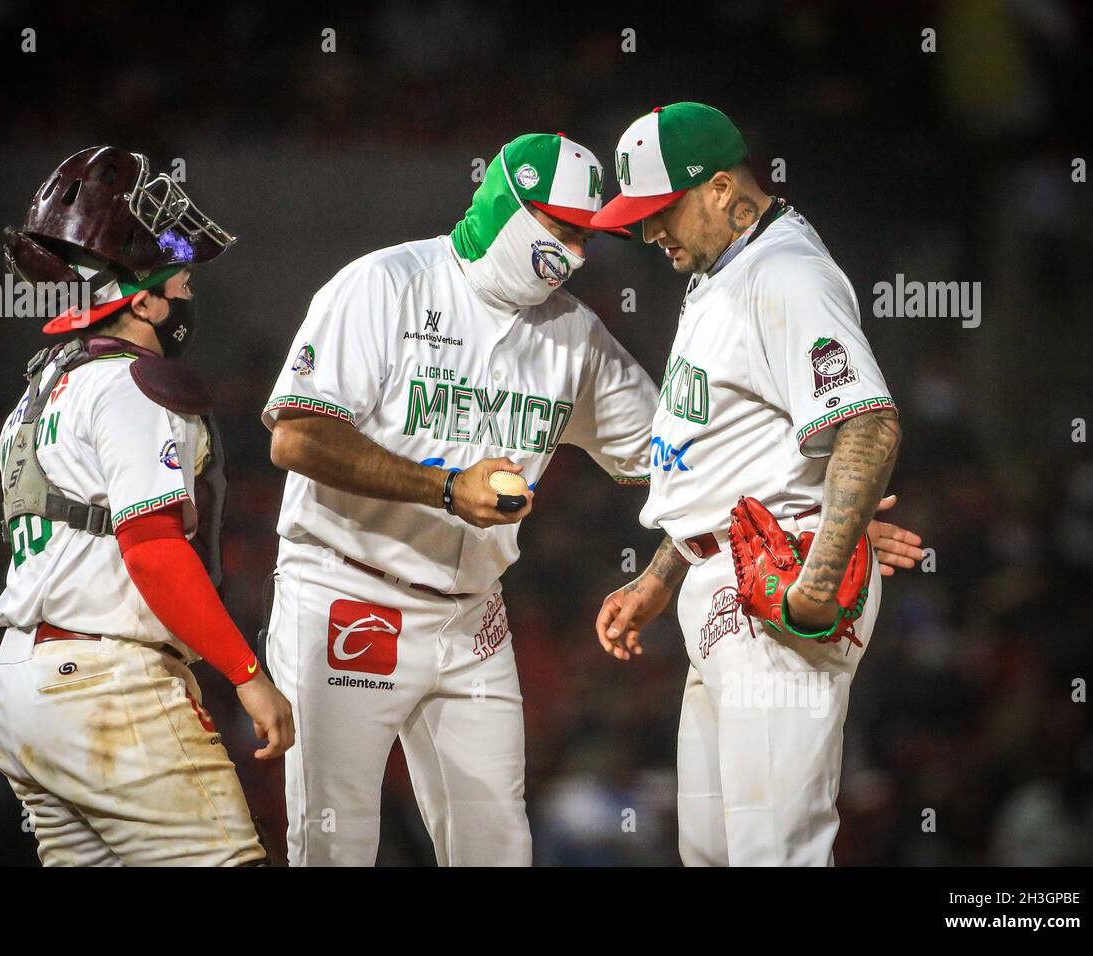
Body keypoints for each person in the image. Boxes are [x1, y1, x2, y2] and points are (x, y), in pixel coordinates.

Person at [261, 131, 921, 866]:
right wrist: (446, 489)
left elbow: (684, 462)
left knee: (497, 847)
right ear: (507, 208)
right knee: (334, 839)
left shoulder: (573, 333)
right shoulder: (386, 283)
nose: (578, 250)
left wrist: (831, 517)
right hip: (352, 590)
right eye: (563, 228)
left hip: (472, 611)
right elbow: (296, 439)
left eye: (587, 234)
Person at [591, 103, 913, 866]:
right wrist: (665, 574)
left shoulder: (786, 274)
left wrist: (817, 583)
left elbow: (868, 424)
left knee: (775, 851)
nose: (647, 233)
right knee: (713, 851)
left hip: (776, 581)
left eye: (659, 211)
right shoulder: (724, 269)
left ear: (723, 190)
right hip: (725, 573)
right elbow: (727, 459)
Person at [0, 146, 293, 866]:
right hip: (106, 686)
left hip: (21, 688)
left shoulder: (39, 393)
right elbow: (152, 549)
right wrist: (249, 678)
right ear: (145, 295)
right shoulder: (131, 383)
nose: (189, 295)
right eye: (181, 280)